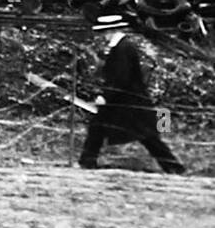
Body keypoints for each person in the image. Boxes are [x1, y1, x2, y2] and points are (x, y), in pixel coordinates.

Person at [78, 16, 185, 174]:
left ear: (112, 31)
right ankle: (87, 161)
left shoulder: (123, 48)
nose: (103, 36)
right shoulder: (118, 47)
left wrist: (106, 96)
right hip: (121, 99)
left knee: (147, 136)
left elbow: (121, 76)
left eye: (105, 32)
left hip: (129, 100)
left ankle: (173, 167)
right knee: (97, 126)